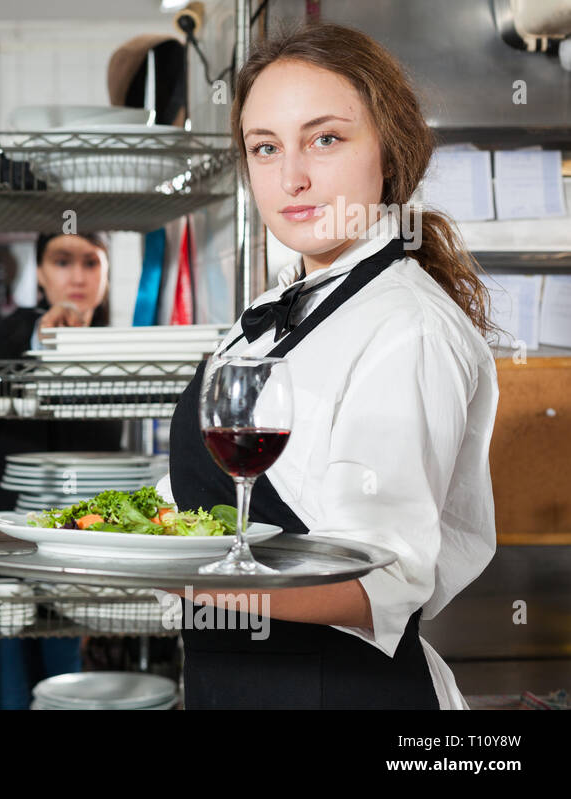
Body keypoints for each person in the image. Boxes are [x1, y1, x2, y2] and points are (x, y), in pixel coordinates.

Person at [165, 22, 499, 709]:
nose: (292, 176)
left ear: (389, 148)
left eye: (325, 138)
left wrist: (176, 577)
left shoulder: (408, 327)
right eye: (266, 148)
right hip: (234, 685)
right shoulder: (278, 304)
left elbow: (383, 583)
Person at [0, 231, 125, 710]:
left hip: (70, 557)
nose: (78, 276)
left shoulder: (120, 351)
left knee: (62, 693)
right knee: (6, 696)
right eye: (62, 261)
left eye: (92, 262)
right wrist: (42, 334)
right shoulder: (14, 329)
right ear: (41, 273)